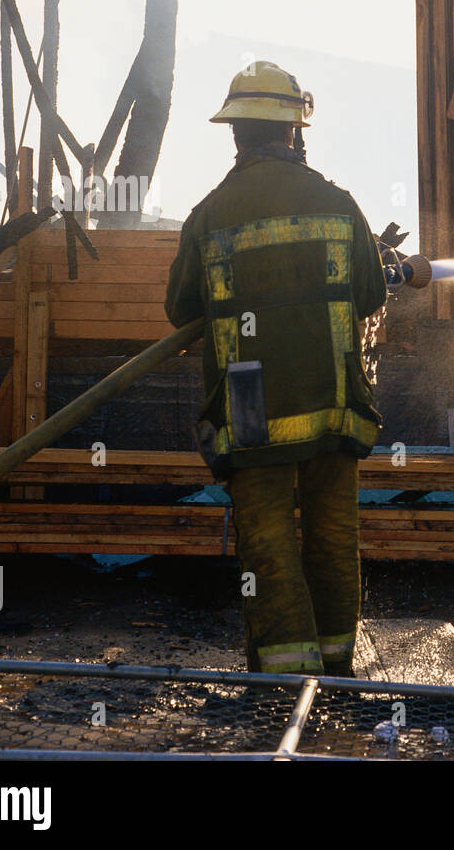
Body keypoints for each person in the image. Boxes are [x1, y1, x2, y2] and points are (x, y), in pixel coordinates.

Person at [165, 61, 387, 676]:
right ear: (294, 131)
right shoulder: (340, 206)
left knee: (266, 542)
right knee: (333, 537)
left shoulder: (210, 216)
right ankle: (338, 671)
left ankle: (289, 679)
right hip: (335, 404)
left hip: (252, 409)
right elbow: (370, 296)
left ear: (235, 133)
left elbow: (179, 308)